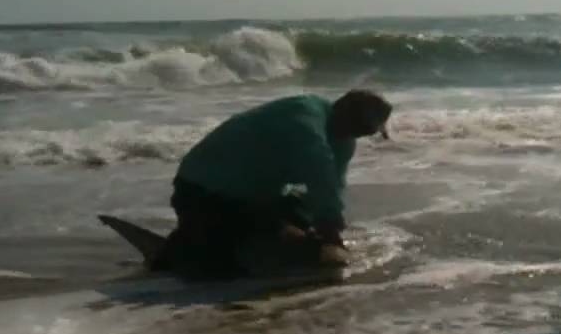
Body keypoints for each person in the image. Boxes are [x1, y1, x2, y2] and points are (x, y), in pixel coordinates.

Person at [156, 89, 393, 278]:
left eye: (368, 131)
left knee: (299, 221)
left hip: (258, 194)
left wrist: (318, 225)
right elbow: (317, 167)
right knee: (225, 272)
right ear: (342, 108)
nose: (361, 133)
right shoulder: (304, 115)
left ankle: (199, 238)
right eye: (360, 125)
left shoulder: (345, 142)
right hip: (203, 188)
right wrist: (329, 227)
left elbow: (333, 186)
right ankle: (180, 250)